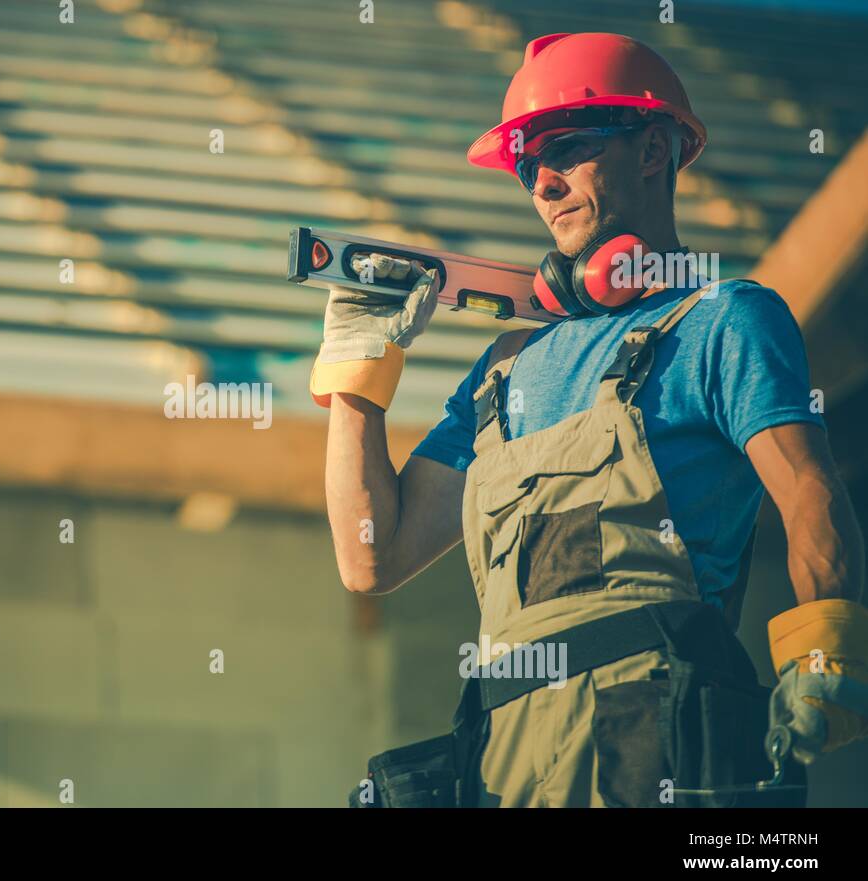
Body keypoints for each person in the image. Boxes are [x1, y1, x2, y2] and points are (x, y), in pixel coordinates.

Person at [315, 33, 868, 807]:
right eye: (525, 166)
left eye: (565, 149)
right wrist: (355, 380)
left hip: (654, 746)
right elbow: (371, 559)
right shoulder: (503, 369)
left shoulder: (720, 321)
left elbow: (809, 490)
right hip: (506, 763)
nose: (541, 183)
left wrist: (823, 654)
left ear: (652, 151)